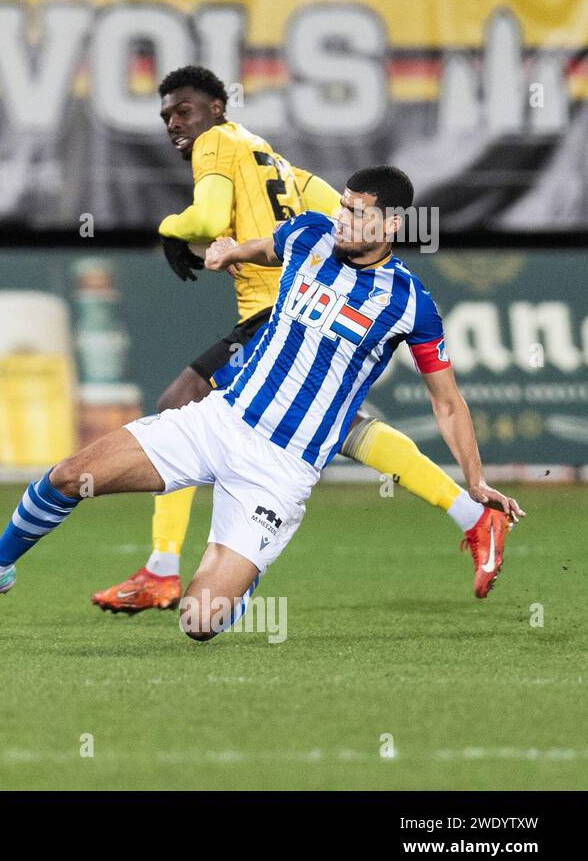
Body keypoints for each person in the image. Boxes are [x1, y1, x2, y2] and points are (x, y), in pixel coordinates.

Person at [0, 166, 524, 636]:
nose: (342, 219)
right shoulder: (310, 235)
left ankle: (239, 572)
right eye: (341, 204)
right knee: (71, 475)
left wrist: (475, 481)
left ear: (391, 226)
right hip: (219, 422)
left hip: (280, 473)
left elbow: (446, 402)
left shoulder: (410, 303)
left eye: (359, 214)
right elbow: (267, 246)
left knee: (199, 621)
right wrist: (231, 250)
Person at [91, 67, 509, 615]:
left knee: (180, 400)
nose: (176, 124)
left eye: (184, 111)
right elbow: (332, 209)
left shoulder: (217, 144)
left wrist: (174, 229)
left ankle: (163, 570)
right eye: (167, 115)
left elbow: (211, 215)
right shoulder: (274, 159)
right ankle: (472, 515)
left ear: (218, 107)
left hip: (279, 313)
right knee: (340, 428)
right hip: (294, 305)